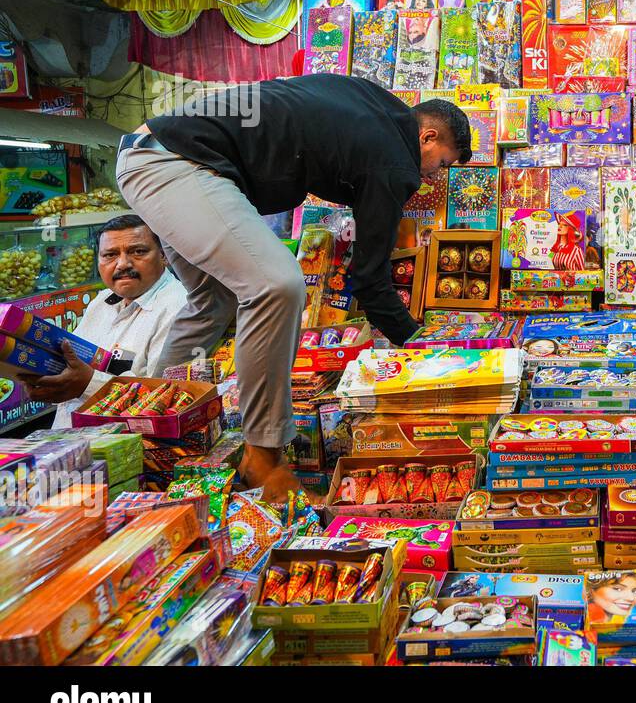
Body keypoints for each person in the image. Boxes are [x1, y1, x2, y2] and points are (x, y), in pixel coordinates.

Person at [116, 74, 472, 501]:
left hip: (149, 153)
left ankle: (150, 433)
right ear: (427, 136)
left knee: (213, 301)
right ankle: (264, 455)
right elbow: (370, 278)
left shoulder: (371, 104)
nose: (435, 175)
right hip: (179, 163)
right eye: (443, 163)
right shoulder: (395, 156)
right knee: (277, 284)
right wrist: (421, 346)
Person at [15, 215, 189, 427]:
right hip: (70, 442)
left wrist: (87, 384)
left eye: (138, 251)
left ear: (164, 256)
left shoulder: (179, 307)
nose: (123, 264)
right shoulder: (101, 301)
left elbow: (166, 397)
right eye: (110, 255)